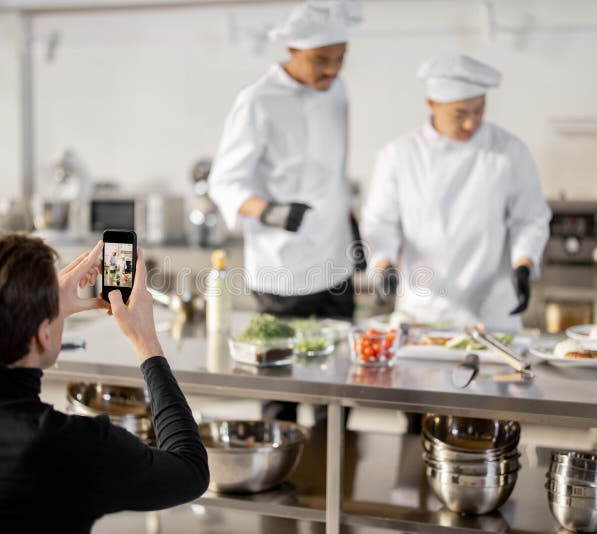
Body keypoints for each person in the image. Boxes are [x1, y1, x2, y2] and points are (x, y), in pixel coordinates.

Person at [0, 233, 209, 533]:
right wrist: (146, 342)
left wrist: (42, 308)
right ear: (43, 335)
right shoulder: (79, 446)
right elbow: (190, 469)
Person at [208, 0, 362, 422]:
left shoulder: (338, 92)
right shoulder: (258, 100)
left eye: (340, 59)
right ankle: (282, 474)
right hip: (282, 269)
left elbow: (331, 174)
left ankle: (334, 474)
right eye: (321, 60)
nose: (332, 70)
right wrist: (270, 211)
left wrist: (351, 225)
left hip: (334, 259)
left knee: (337, 385)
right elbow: (224, 182)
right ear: (292, 50)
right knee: (283, 385)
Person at [363, 54, 551, 334]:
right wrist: (383, 264)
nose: (470, 124)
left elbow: (531, 218)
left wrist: (524, 263)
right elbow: (380, 222)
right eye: (460, 114)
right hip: (423, 311)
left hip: (492, 311)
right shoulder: (399, 155)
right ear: (432, 104)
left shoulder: (509, 151)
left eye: (479, 111)